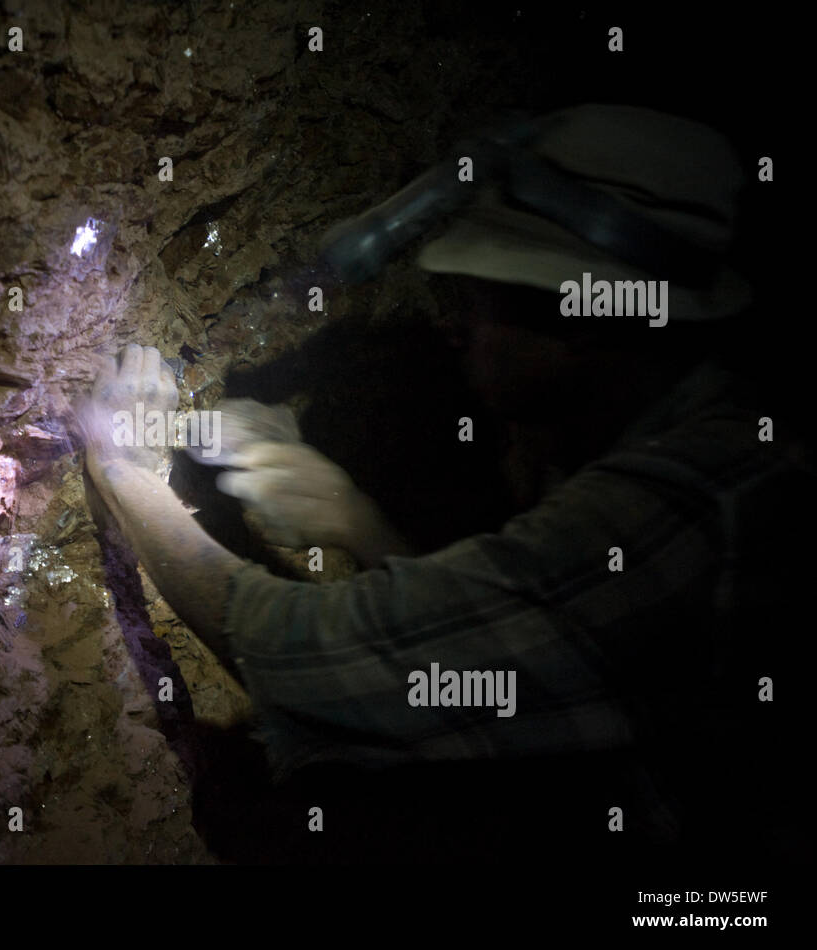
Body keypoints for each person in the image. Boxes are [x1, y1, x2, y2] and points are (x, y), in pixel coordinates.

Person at [77, 105, 811, 863]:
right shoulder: (684, 432)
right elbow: (532, 652)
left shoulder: (690, 507)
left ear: (586, 320)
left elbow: (315, 667)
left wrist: (125, 467)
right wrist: (356, 520)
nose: (454, 326)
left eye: (480, 301)